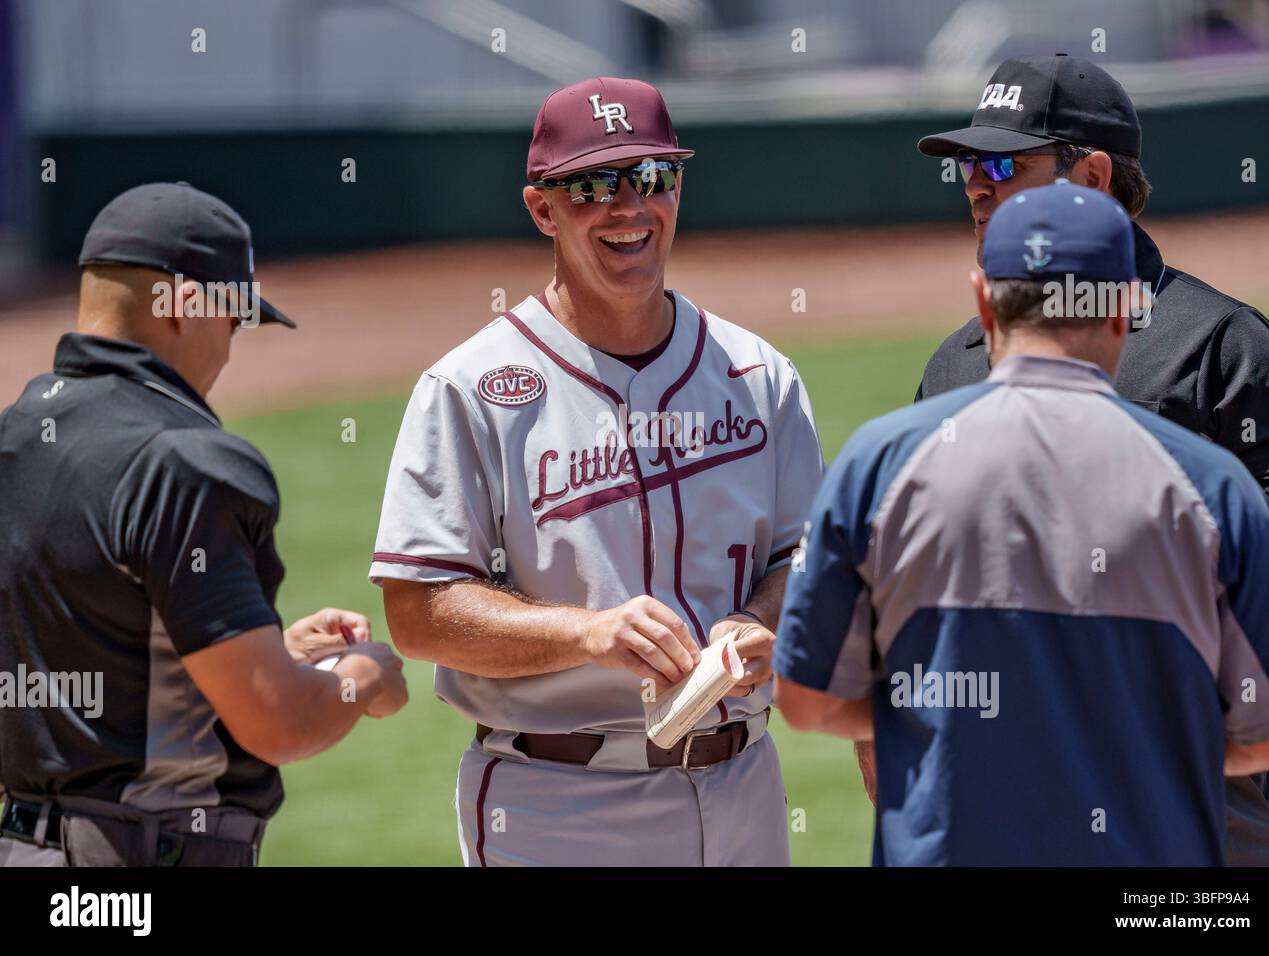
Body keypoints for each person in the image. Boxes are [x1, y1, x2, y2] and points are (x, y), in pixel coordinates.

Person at [774, 182, 1269, 865]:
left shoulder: (879, 461)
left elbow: (807, 699)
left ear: (982, 302)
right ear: (1124, 312)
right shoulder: (1213, 483)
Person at [372, 77, 824, 866]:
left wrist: (764, 618)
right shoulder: (471, 389)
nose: (627, 207)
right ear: (543, 208)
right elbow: (418, 612)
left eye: (651, 177)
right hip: (557, 806)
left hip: (744, 787)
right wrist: (587, 634)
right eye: (591, 186)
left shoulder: (759, 374)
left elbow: (807, 555)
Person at [906, 53, 1269, 865]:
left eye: (1002, 163)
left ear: (1090, 175)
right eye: (969, 167)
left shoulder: (1219, 344)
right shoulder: (956, 359)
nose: (976, 185)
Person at [0, 182, 408, 867]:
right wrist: (365, 675)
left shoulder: (16, 439)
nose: (231, 344)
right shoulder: (186, 460)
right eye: (235, 317)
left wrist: (268, 652)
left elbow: (93, 656)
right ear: (184, 305)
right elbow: (280, 722)